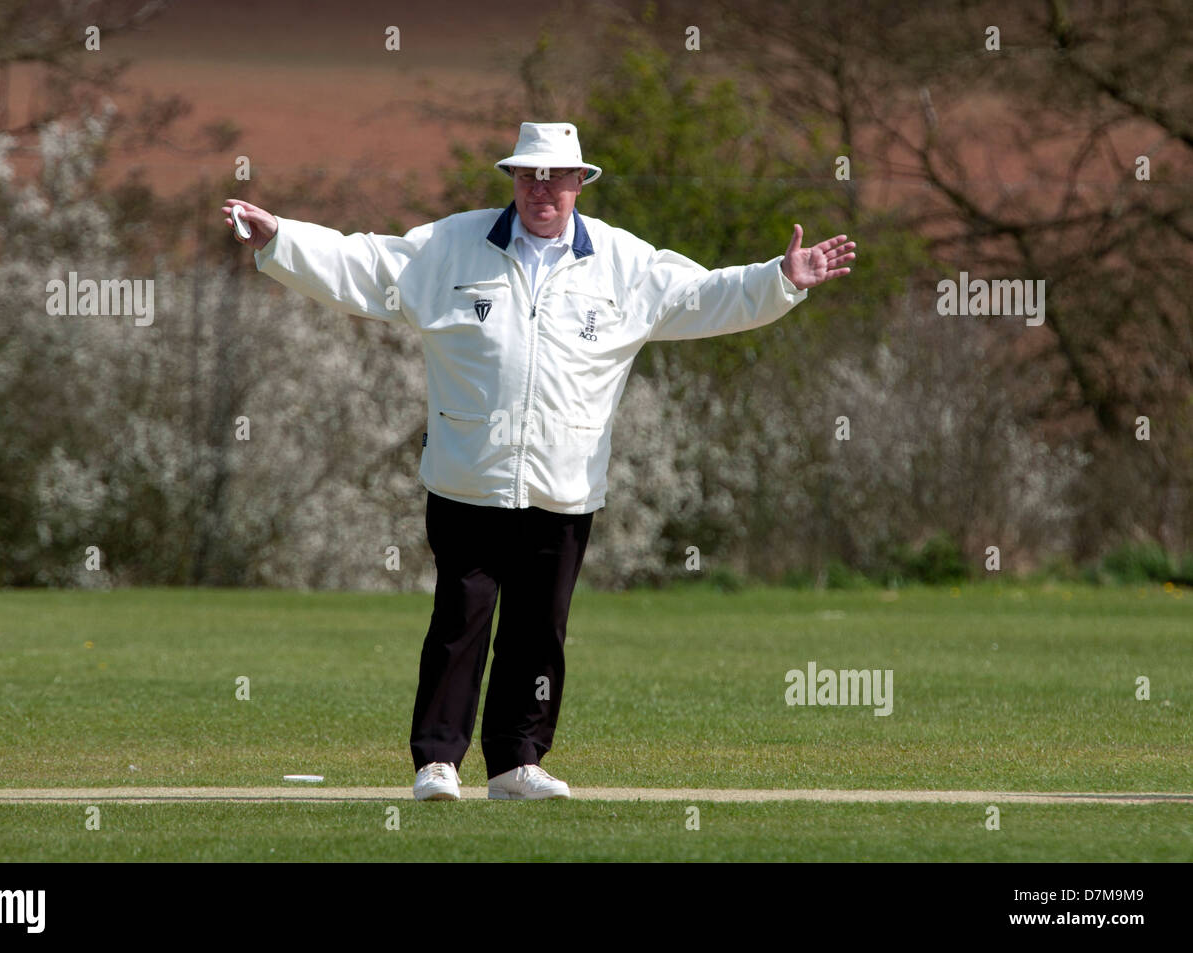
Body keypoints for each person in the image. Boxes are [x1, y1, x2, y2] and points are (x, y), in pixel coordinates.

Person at [222, 121, 854, 802]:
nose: (541, 188)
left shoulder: (623, 261)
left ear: (581, 182)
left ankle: (517, 762)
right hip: (468, 477)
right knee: (460, 620)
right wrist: (281, 239)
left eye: (555, 177)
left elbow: (701, 296)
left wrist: (781, 279)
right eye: (529, 176)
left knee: (538, 630)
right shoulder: (451, 246)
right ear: (513, 180)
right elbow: (365, 265)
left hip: (564, 485)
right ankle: (438, 762)